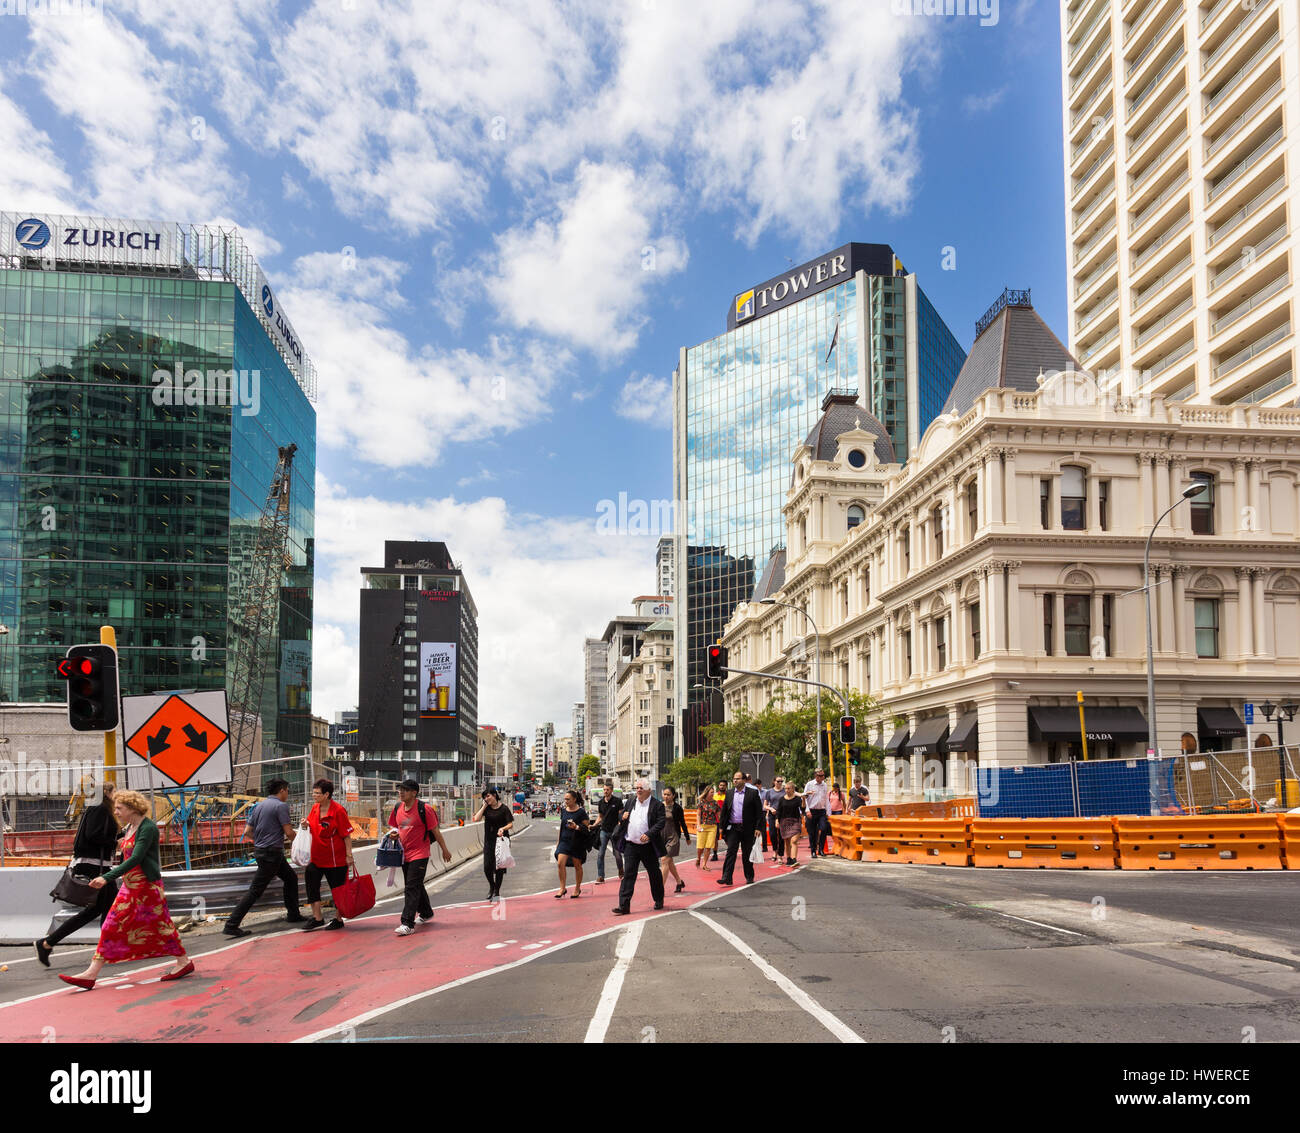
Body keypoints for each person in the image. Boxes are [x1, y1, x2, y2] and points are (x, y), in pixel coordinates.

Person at [56, 789, 193, 989]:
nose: (116, 812)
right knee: (112, 924)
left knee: (160, 926)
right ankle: (91, 973)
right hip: (130, 887)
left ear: (132, 808)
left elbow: (136, 858)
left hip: (146, 887)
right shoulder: (130, 827)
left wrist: (106, 877)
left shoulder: (147, 828)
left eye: (119, 808)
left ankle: (183, 961)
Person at [35, 782, 120, 966]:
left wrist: (116, 839)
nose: (117, 794)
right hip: (95, 867)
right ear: (106, 793)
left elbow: (95, 834)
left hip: (95, 865)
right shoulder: (100, 809)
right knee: (110, 907)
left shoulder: (96, 808)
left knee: (96, 910)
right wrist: (115, 842)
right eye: (114, 791)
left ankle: (47, 943)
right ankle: (106, 949)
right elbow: (93, 835)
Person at [224, 778, 303, 937]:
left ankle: (293, 914)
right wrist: (303, 844)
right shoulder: (281, 806)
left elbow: (247, 832)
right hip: (271, 854)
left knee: (291, 878)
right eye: (287, 790)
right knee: (255, 890)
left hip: (263, 852)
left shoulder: (259, 806)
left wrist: (261, 841)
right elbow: (288, 832)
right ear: (282, 790)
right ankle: (231, 924)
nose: (287, 794)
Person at [389, 780, 453, 935]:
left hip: (420, 853)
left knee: (411, 887)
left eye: (405, 790)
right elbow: (393, 826)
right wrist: (393, 834)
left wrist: (445, 850)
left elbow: (436, 831)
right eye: (400, 790)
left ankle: (407, 923)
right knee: (416, 884)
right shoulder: (398, 808)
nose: (401, 792)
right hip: (404, 853)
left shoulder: (425, 809)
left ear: (414, 792)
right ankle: (426, 912)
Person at [301, 778, 355, 930]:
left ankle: (338, 919)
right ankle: (317, 918)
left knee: (337, 890)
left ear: (327, 794)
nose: (314, 795)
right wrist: (305, 824)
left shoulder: (338, 811)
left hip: (335, 860)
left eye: (317, 793)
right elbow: (312, 826)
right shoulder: (315, 808)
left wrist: (349, 855)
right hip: (317, 858)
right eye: (313, 792)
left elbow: (346, 835)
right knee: (312, 886)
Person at [612, 778, 665, 915]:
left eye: (641, 788)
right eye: (637, 788)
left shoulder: (657, 805)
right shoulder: (631, 801)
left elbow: (661, 822)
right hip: (631, 845)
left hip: (648, 846)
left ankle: (658, 899)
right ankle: (624, 906)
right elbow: (621, 816)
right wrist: (621, 817)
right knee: (628, 874)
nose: (638, 790)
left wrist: (649, 834)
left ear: (648, 790)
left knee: (654, 874)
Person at [717, 770, 764, 886]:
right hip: (733, 828)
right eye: (733, 779)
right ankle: (726, 877)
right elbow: (724, 811)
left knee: (746, 853)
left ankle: (749, 876)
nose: (735, 781)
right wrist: (722, 827)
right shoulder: (729, 793)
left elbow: (759, 812)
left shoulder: (752, 793)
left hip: (748, 828)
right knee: (730, 852)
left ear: (743, 780)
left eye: (737, 779)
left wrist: (758, 828)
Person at [473, 787, 514, 902]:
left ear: (494, 795)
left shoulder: (504, 809)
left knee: (499, 867)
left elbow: (510, 824)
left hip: (501, 841)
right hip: (489, 841)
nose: (486, 798)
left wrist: (502, 828)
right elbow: (476, 819)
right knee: (487, 867)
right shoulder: (486, 808)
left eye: (488, 796)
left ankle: (497, 891)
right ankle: (492, 885)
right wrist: (484, 806)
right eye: (485, 797)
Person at [554, 790, 589, 898]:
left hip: (576, 841)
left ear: (574, 799)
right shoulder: (564, 811)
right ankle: (562, 888)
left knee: (577, 865)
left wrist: (576, 827)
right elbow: (561, 826)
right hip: (564, 841)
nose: (566, 801)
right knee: (560, 863)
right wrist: (558, 841)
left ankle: (577, 888)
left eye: (568, 799)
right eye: (565, 799)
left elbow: (586, 828)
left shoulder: (581, 812)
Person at [659, 786, 690, 894]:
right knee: (669, 862)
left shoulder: (677, 808)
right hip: (661, 836)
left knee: (664, 860)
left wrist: (687, 837)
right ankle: (679, 881)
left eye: (668, 794)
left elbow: (682, 823)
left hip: (673, 836)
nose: (666, 796)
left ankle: (660, 889)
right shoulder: (659, 806)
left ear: (673, 796)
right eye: (665, 794)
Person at [595, 783, 624, 884]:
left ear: (611, 790)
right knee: (600, 854)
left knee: (617, 854)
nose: (605, 791)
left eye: (607, 790)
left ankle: (621, 870)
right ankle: (600, 876)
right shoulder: (601, 802)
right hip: (604, 830)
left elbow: (621, 815)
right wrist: (594, 824)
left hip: (615, 831)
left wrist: (620, 825)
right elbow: (600, 816)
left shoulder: (617, 801)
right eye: (604, 790)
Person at [802, 767, 830, 858]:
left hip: (821, 811)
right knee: (812, 832)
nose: (822, 777)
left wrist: (828, 812)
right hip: (811, 811)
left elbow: (826, 799)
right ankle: (813, 851)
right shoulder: (809, 784)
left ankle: (821, 849)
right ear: (816, 776)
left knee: (824, 828)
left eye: (823, 775)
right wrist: (807, 810)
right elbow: (804, 797)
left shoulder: (825, 785)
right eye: (820, 776)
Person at [776, 780, 805, 866]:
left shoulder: (797, 799)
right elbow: (779, 811)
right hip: (784, 822)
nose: (787, 790)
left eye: (788, 788)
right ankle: (788, 858)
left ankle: (794, 859)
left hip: (795, 821)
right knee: (787, 841)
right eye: (785, 789)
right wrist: (777, 820)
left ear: (793, 789)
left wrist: (803, 799)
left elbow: (802, 808)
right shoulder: (781, 799)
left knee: (794, 840)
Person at [694, 784, 720, 871]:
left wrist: (722, 824)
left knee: (708, 846)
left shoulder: (715, 803)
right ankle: (698, 858)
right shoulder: (701, 802)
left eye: (713, 792)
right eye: (711, 792)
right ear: (707, 792)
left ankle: (704, 864)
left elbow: (718, 815)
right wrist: (698, 825)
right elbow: (698, 815)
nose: (713, 794)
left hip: (712, 826)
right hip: (703, 826)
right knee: (700, 847)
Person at [763, 776, 786, 863]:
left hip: (782, 815)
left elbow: (794, 794)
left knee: (781, 836)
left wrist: (803, 795)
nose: (780, 783)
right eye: (778, 781)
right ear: (774, 782)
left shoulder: (785, 791)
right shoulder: (769, 792)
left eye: (781, 781)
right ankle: (775, 851)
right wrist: (771, 809)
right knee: (772, 834)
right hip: (772, 815)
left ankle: (780, 855)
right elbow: (764, 805)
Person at [826, 781, 846, 855]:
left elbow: (844, 802)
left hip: (838, 811)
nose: (834, 789)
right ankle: (834, 838)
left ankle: (838, 839)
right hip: (831, 811)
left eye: (835, 788)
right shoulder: (830, 793)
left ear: (838, 788)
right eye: (833, 787)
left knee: (837, 826)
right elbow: (827, 802)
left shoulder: (841, 794)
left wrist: (845, 810)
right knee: (831, 826)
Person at [711, 780, 727, 862]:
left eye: (723, 785)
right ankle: (715, 854)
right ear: (718, 786)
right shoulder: (714, 796)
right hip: (715, 821)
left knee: (727, 838)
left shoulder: (728, 796)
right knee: (714, 838)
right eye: (720, 785)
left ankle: (731, 852)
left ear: (726, 786)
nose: (722, 787)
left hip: (726, 821)